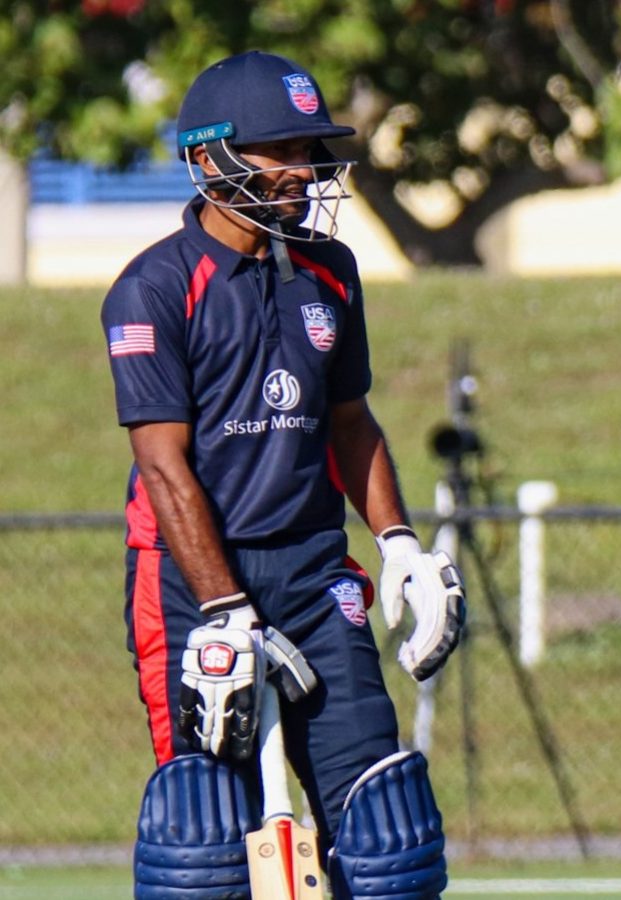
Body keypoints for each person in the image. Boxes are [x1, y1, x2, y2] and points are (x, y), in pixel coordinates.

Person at [103, 51, 465, 900]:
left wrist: (401, 546)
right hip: (190, 584)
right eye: (281, 151)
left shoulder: (330, 270)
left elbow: (351, 423)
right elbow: (162, 464)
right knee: (204, 852)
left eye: (308, 150)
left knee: (387, 843)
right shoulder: (153, 287)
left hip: (312, 573)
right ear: (208, 158)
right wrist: (224, 609)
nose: (303, 171)